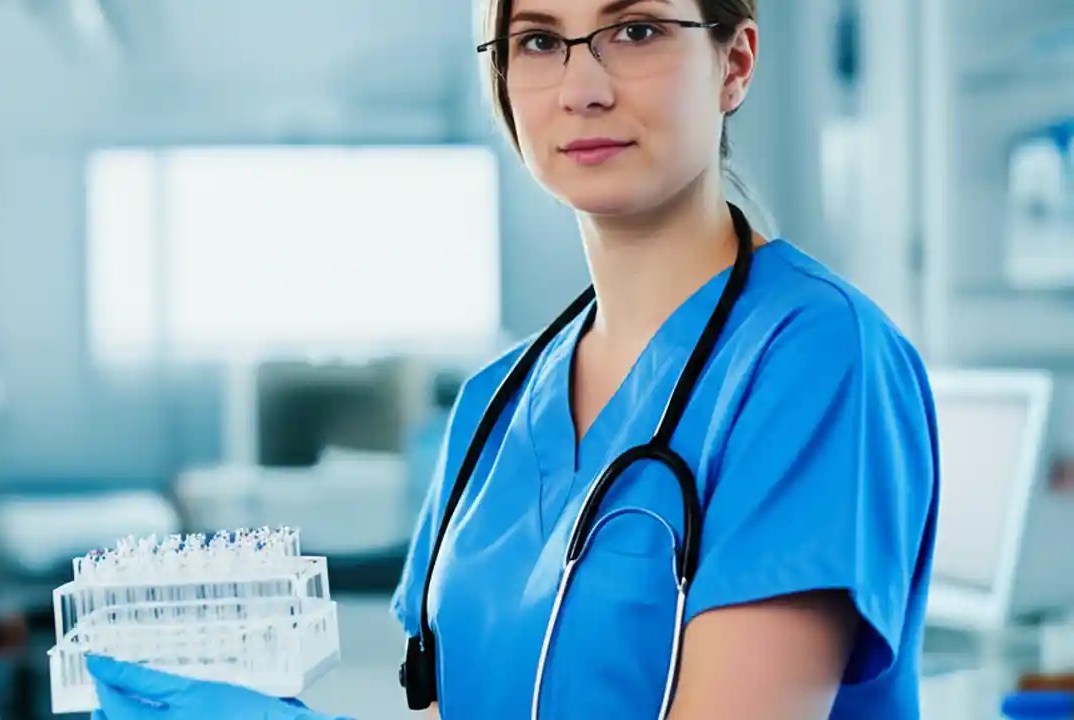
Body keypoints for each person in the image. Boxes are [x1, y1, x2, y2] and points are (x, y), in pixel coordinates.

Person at [85, 0, 940, 718]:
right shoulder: (494, 405)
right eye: (537, 40)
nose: (583, 89)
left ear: (735, 62)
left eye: (635, 30)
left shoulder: (816, 360)